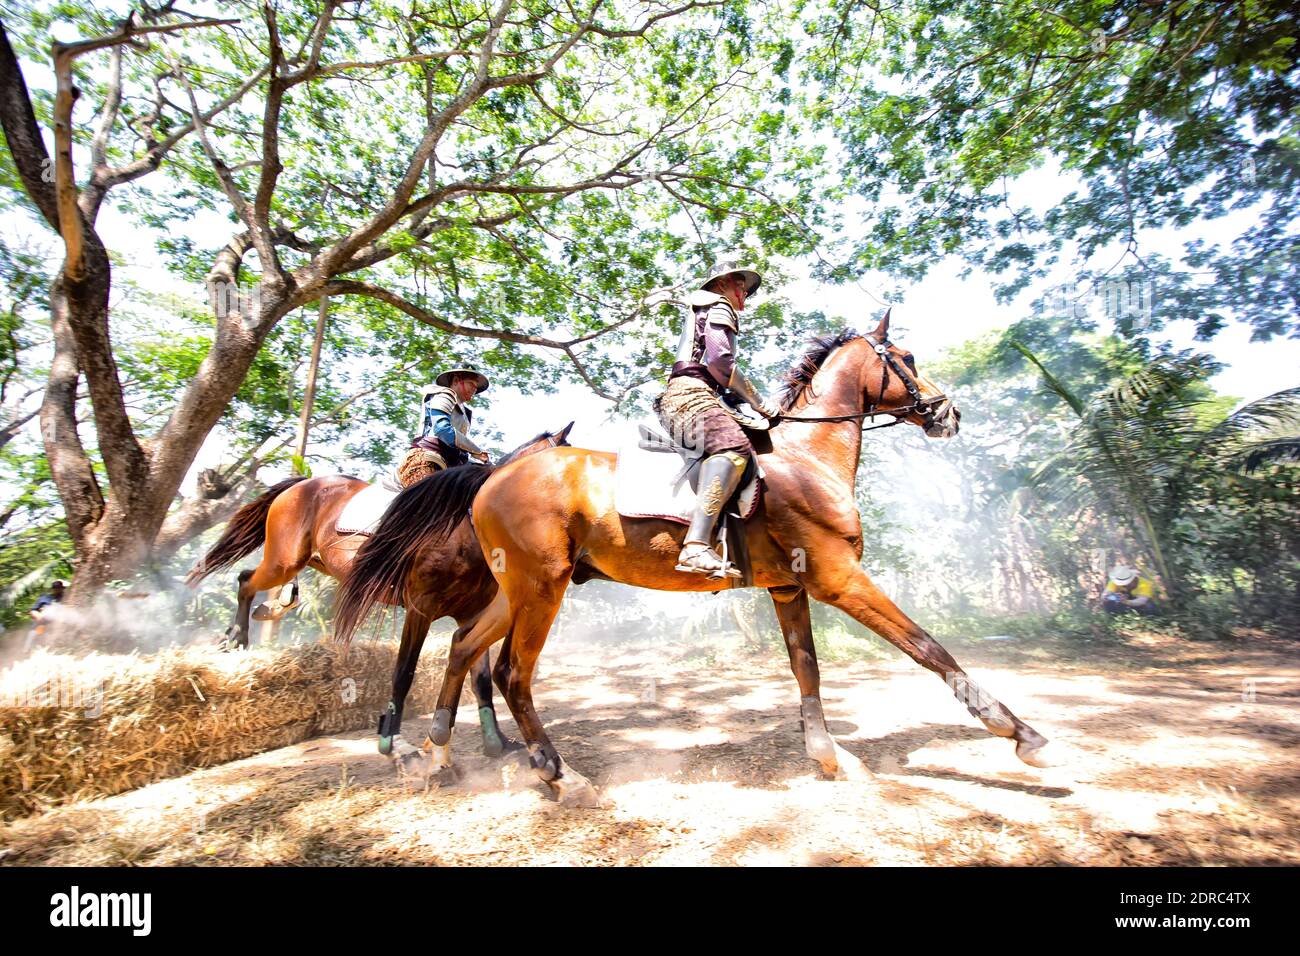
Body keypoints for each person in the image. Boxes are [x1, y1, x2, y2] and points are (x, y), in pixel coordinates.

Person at [653, 261, 781, 578]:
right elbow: (721, 363)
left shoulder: (706, 306)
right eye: (742, 286)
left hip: (692, 394)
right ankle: (696, 545)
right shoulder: (718, 304)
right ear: (723, 283)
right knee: (734, 448)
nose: (745, 295)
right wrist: (760, 401)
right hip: (690, 395)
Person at [396, 367, 491, 487]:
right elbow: (442, 430)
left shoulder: (465, 413)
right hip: (427, 458)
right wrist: (477, 451)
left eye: (476, 386)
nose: (475, 389)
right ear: (456, 380)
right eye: (471, 384)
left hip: (452, 463)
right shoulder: (444, 395)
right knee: (430, 500)